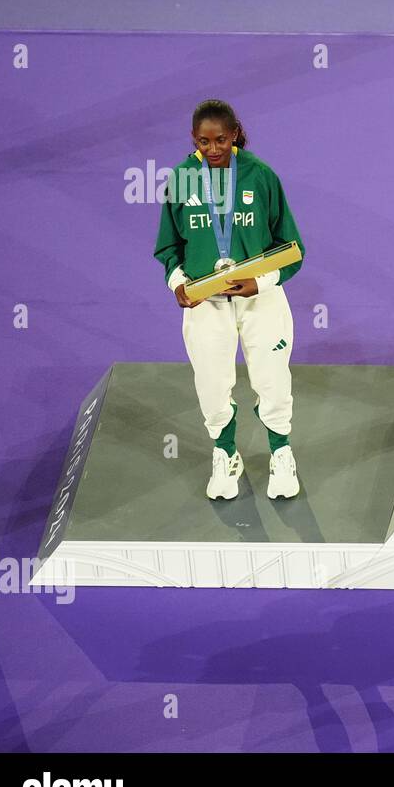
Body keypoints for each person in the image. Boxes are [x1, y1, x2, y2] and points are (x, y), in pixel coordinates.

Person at [154, 99, 306, 500]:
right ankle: (225, 455)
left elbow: (292, 247)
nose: (214, 149)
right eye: (204, 142)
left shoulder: (261, 176)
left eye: (221, 139)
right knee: (210, 383)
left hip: (260, 299)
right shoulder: (183, 179)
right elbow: (168, 247)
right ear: (194, 140)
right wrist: (178, 285)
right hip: (206, 304)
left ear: (235, 133)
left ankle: (281, 453)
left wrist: (263, 281)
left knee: (273, 380)